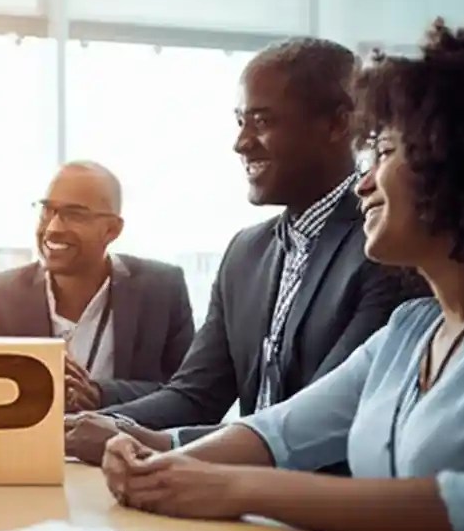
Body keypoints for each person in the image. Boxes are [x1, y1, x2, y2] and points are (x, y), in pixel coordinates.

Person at [101, 19, 464, 531]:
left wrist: (237, 488)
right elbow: (276, 433)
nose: (364, 181)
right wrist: (162, 468)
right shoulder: (409, 331)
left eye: (386, 153)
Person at [65, 37, 424, 464]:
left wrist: (141, 440)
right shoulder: (246, 252)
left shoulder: (387, 249)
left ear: (336, 124)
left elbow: (309, 423)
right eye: (240, 121)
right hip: (237, 500)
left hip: (311, 506)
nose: (241, 142)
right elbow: (193, 396)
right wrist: (78, 428)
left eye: (261, 121)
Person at [0, 161, 194, 412]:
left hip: (127, 447)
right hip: (30, 449)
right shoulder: (3, 294)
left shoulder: (161, 290)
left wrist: (101, 393)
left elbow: (189, 393)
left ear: (112, 230)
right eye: (47, 211)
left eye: (74, 215)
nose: (53, 228)